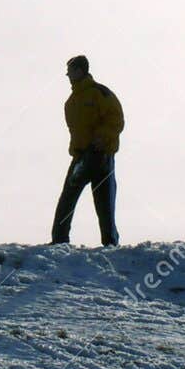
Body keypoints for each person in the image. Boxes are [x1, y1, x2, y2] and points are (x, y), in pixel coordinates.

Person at [51, 55, 124, 246]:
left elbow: (116, 120)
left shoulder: (100, 93)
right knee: (67, 198)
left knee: (104, 204)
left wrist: (102, 139)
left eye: (71, 70)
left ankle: (110, 243)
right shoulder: (72, 101)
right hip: (81, 156)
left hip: (101, 156)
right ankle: (59, 240)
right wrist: (76, 149)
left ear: (80, 71)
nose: (68, 75)